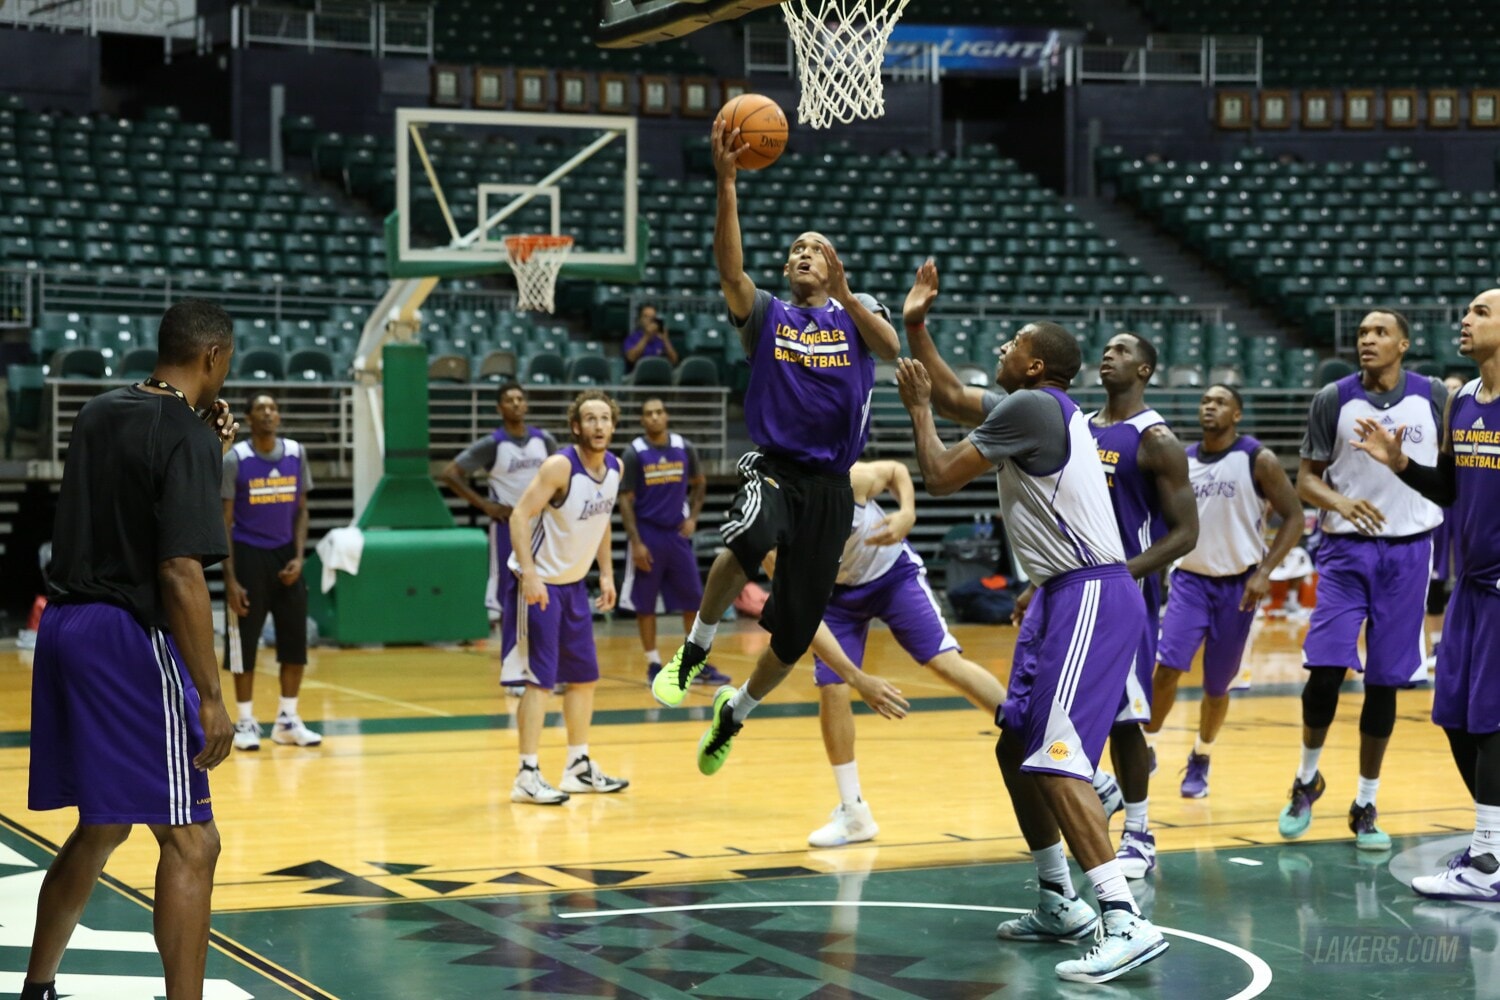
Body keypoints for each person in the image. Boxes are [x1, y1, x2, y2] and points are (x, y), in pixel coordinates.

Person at [896, 281, 1167, 982]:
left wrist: (917, 409)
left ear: (1037, 366)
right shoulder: (1035, 407)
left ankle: (1122, 917)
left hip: (1090, 594)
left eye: (1013, 344)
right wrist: (915, 327)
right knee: (1016, 744)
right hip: (1057, 594)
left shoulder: (1032, 407)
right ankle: (1057, 900)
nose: (1001, 349)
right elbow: (958, 396)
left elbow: (939, 471)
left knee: (1054, 757)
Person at [650, 114, 900, 779]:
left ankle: (733, 715)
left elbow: (894, 349)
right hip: (776, 465)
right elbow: (730, 270)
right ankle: (695, 649)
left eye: (813, 249)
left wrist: (847, 291)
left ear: (835, 265)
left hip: (832, 486)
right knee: (748, 536)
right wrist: (726, 182)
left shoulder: (855, 313)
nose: (801, 255)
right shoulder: (768, 314)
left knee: (792, 634)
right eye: (794, 249)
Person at [25, 300, 237, 1000]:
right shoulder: (187, 436)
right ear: (213, 356)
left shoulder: (98, 411)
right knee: (192, 841)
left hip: (62, 626)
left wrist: (208, 444)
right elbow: (179, 571)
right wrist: (210, 693)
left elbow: (134, 483)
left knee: (105, 820)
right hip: (124, 634)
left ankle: (37, 987)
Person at [1280, 309, 1447, 850]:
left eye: (1380, 333)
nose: (1368, 341)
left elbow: (1449, 474)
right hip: (1346, 553)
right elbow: (1305, 478)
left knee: (1384, 682)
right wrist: (1341, 501)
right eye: (1362, 334)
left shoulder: (1434, 398)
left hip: (1409, 553)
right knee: (1324, 670)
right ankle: (1307, 780)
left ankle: (1366, 800)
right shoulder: (1334, 398)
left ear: (1403, 343)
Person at [1352, 288, 1500, 899]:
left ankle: (1489, 862)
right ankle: (1495, 842)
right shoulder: (1463, 400)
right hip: (1469, 585)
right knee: (1454, 718)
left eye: (1481, 312)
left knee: (1492, 719)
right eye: (1466, 311)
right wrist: (1400, 465)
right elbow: (1450, 490)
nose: (1464, 320)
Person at [803, 458, 1007, 848]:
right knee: (832, 687)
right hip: (835, 597)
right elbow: (804, 616)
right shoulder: (778, 527)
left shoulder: (850, 479)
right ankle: (854, 812)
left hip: (890, 574)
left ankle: (1046, 748)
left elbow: (897, 471)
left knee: (945, 662)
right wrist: (856, 677)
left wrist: (907, 513)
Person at [1075, 330, 1199, 881]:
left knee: (1125, 719)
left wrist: (1125, 573)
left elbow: (1186, 533)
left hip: (1122, 596)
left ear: (1145, 370)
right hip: (1072, 588)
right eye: (1106, 348)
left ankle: (1141, 833)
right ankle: (1101, 791)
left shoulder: (1156, 440)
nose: (1109, 354)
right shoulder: (1079, 425)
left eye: (1123, 351)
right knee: (1068, 711)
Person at [1145, 384, 1305, 805]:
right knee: (1167, 666)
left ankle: (1201, 756)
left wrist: (1266, 570)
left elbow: (1294, 517)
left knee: (1218, 685)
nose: (1209, 406)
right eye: (1204, 401)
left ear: (1236, 414)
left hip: (1239, 586)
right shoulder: (1184, 460)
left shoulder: (1257, 459)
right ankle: (1148, 743)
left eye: (1220, 402)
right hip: (1190, 580)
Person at [503, 390, 629, 805]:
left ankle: (578, 766)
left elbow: (602, 518)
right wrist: (531, 575)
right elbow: (519, 515)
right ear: (576, 426)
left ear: (613, 425)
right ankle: (526, 773)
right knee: (539, 683)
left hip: (574, 585)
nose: (598, 426)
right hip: (540, 586)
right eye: (590, 419)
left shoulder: (615, 468)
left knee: (584, 679)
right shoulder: (560, 466)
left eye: (605, 418)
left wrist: (607, 574)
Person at [221, 392, 321, 750]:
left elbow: (302, 510)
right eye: (260, 408)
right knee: (244, 645)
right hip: (249, 557)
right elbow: (225, 522)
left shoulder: (296, 453)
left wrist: (299, 557)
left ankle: (287, 720)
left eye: (273, 408)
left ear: (279, 417)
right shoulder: (236, 459)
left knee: (295, 643)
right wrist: (230, 579)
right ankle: (246, 722)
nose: (268, 413)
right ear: (249, 417)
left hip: (287, 558)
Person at [618, 396, 731, 687]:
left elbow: (700, 483)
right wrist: (635, 541)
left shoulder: (684, 447)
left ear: (666, 416)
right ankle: (653, 663)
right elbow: (625, 500)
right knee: (646, 606)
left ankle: (694, 663)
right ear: (642, 421)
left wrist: (693, 516)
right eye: (648, 414)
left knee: (694, 600)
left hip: (677, 534)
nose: (654, 417)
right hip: (648, 534)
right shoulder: (635, 453)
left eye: (659, 412)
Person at [439, 382, 558, 626]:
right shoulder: (492, 444)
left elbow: (560, 478)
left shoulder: (545, 440)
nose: (515, 403)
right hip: (508, 525)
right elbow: (450, 474)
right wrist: (484, 505)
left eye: (519, 399)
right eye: (508, 400)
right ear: (498, 408)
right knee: (509, 587)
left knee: (548, 583)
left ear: (526, 404)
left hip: (543, 524)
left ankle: (540, 645)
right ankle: (512, 650)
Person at [1422, 371, 1470, 676]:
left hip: (1466, 502)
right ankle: (1437, 646)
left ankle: (1464, 644)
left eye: (1457, 388)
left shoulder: (1476, 420)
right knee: (1436, 579)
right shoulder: (1429, 426)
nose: (1451, 392)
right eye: (1447, 388)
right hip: (1440, 503)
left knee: (1468, 572)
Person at [623, 304, 679, 371]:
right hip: (638, 376)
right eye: (646, 317)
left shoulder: (660, 339)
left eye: (653, 317)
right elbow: (631, 358)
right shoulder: (632, 338)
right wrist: (646, 336)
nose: (650, 320)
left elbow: (674, 360)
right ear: (640, 320)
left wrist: (665, 339)